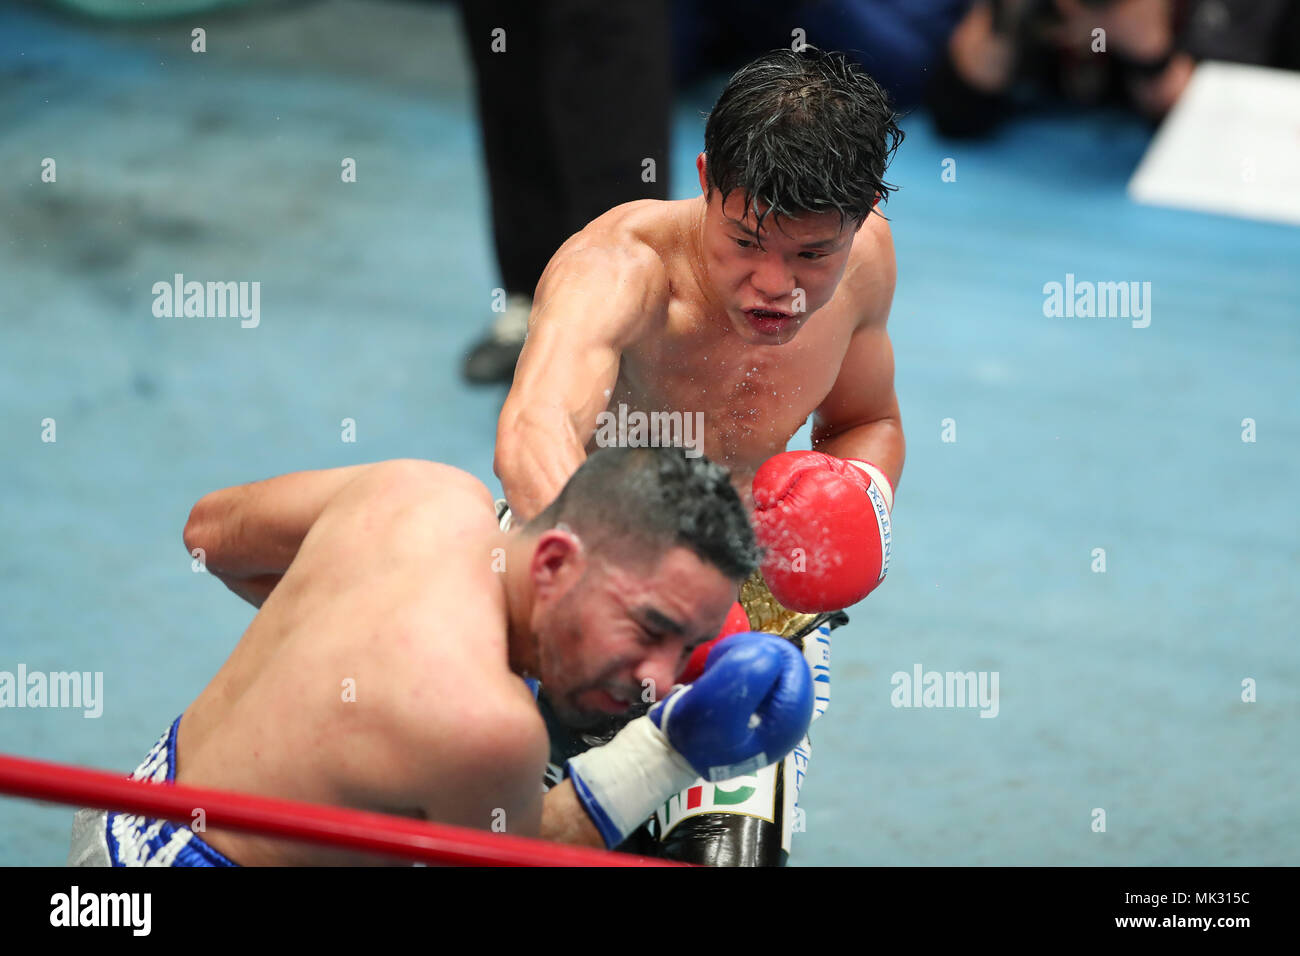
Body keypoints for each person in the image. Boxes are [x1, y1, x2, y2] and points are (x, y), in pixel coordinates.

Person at [494, 48, 906, 863]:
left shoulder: (868, 266)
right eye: (746, 239)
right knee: (517, 845)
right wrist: (649, 586)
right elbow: (532, 433)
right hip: (584, 568)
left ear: (858, 220)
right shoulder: (618, 268)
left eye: (810, 255)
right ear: (705, 176)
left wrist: (859, 502)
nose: (774, 285)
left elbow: (867, 420)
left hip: (749, 594)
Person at [68, 449, 814, 865]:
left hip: (127, 807)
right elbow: (522, 858)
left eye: (687, 645)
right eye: (649, 627)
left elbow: (210, 532)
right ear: (554, 562)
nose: (661, 677)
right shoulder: (485, 723)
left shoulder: (418, 493)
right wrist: (669, 751)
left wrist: (330, 634)